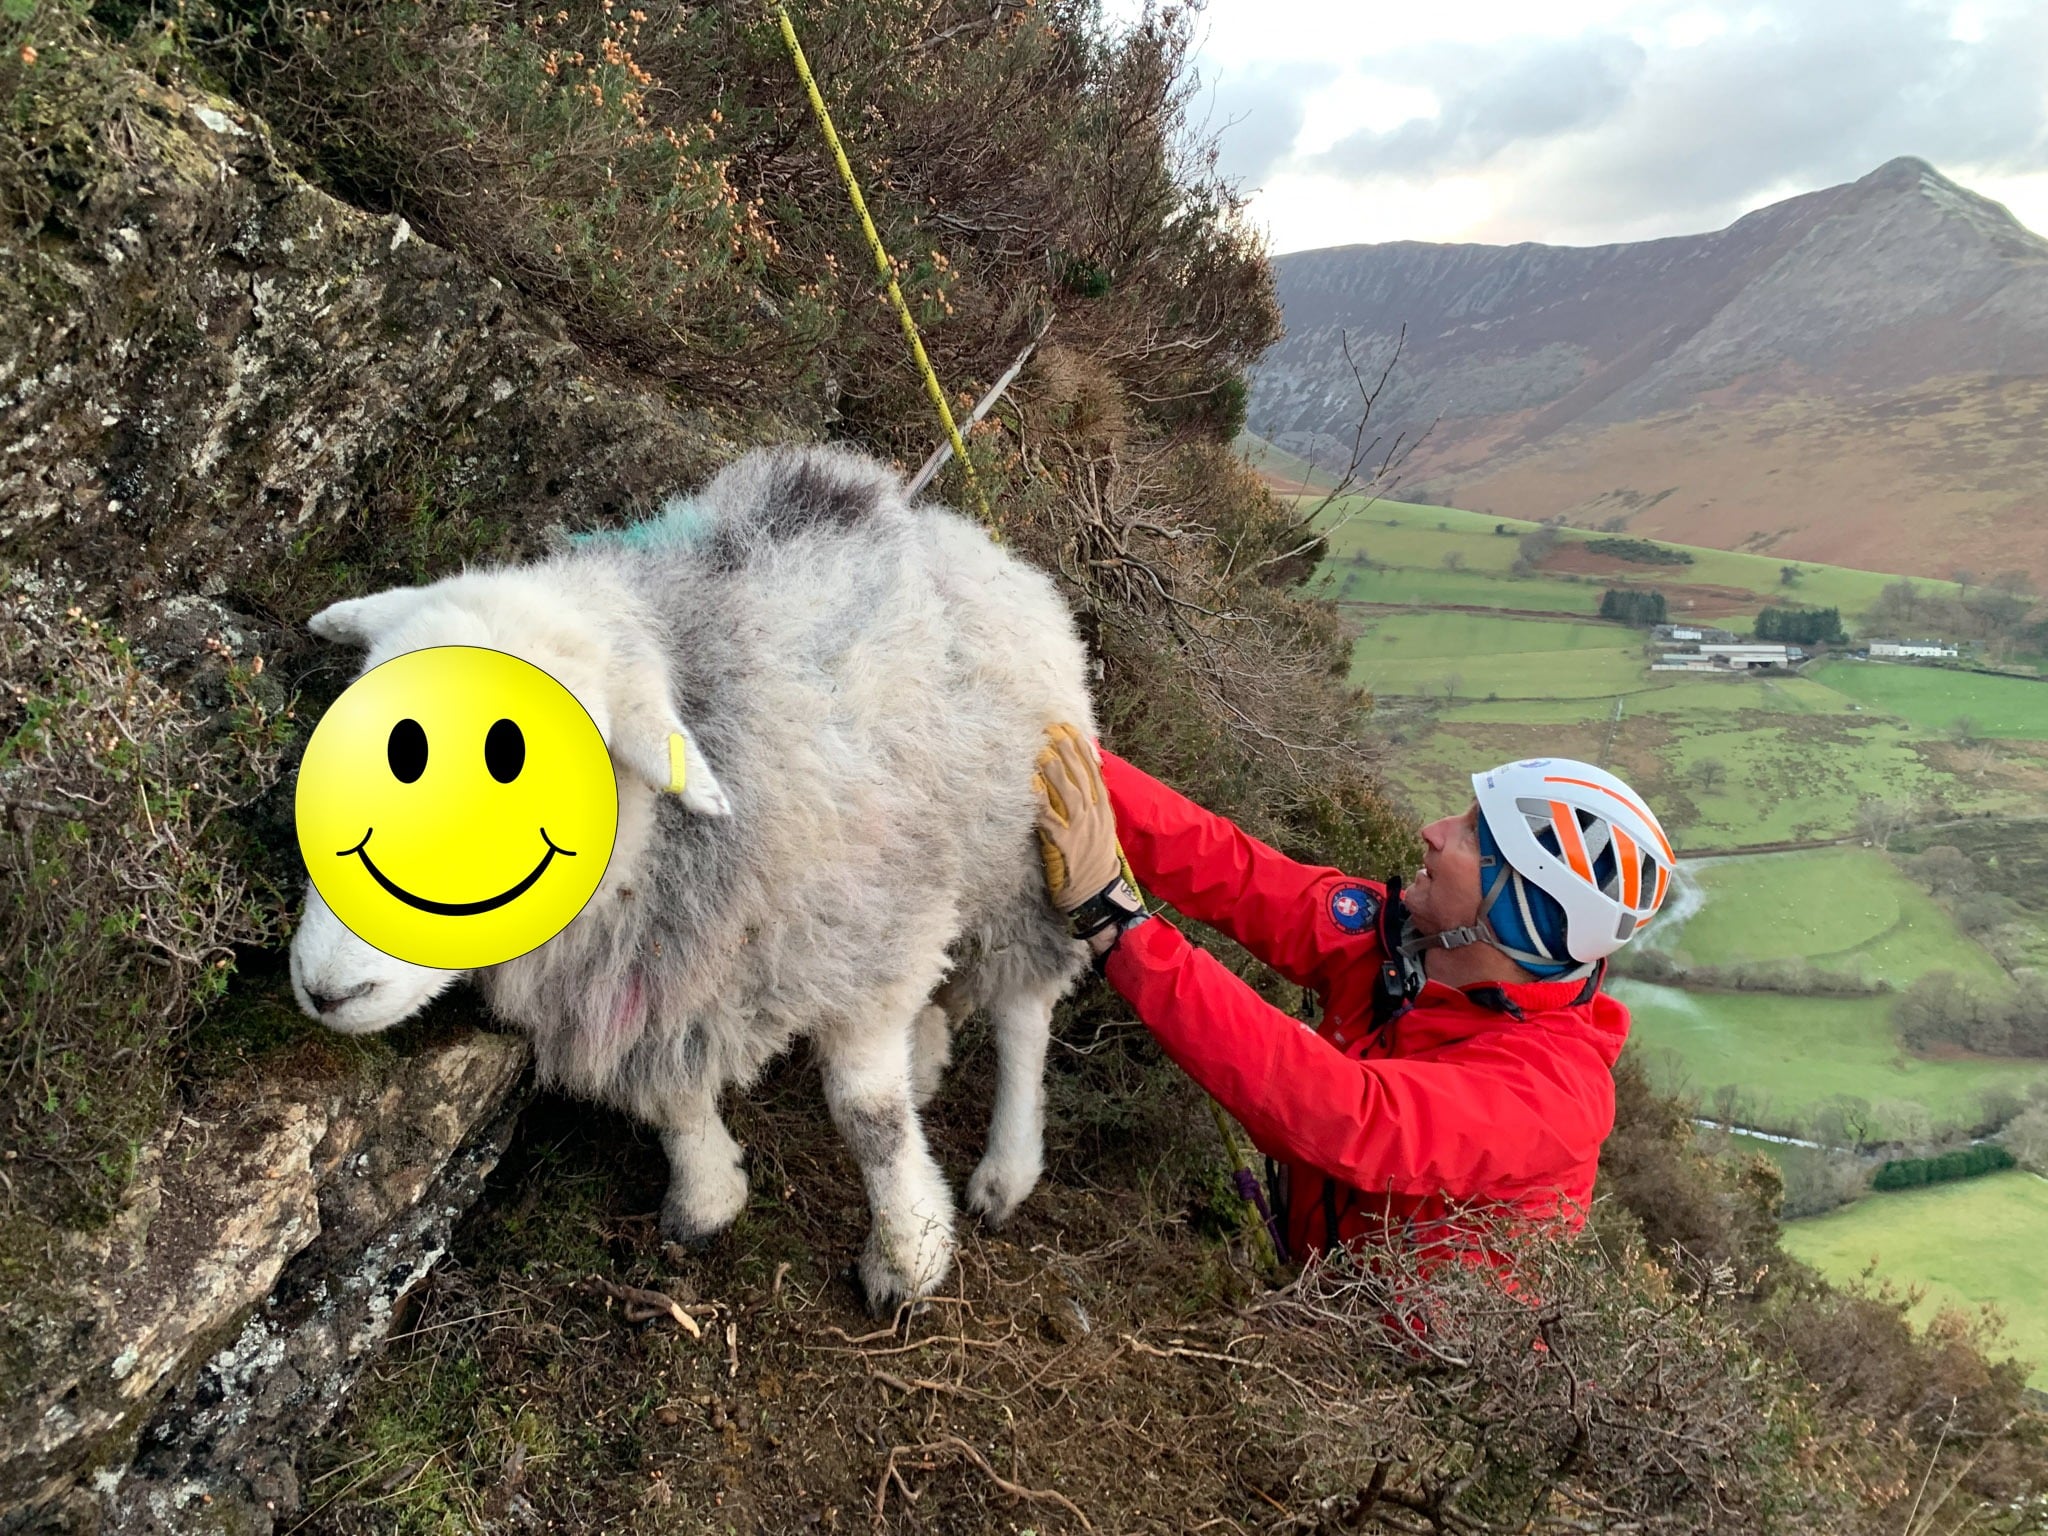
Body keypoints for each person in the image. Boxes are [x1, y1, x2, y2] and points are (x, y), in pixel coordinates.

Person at [1031, 726, 1676, 1269]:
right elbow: (1235, 874)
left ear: (1519, 910)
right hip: (1312, 1299)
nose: (1434, 831)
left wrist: (1120, 925)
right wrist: (1065, 753)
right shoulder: (1402, 941)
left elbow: (1354, 1117)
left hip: (1415, 1392)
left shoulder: (1553, 1096)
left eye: (1475, 836)